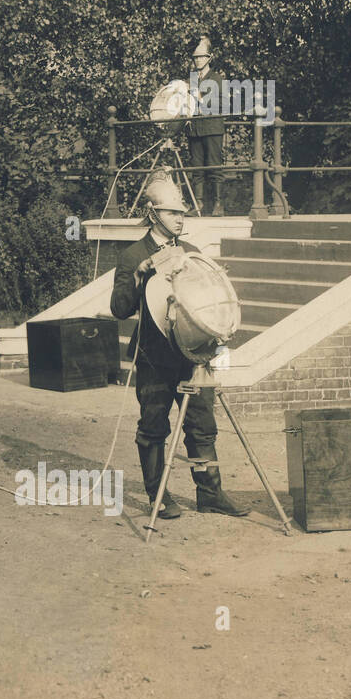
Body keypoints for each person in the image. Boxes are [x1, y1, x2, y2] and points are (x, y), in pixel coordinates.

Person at [109, 175, 247, 518]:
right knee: (154, 426)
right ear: (153, 213)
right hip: (154, 358)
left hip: (193, 356)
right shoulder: (133, 255)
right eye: (172, 213)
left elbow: (207, 303)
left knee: (202, 426)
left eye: (182, 213)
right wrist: (140, 275)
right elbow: (119, 309)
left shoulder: (192, 254)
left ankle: (209, 493)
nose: (180, 219)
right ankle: (159, 496)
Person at [183, 34, 227, 216]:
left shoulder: (216, 78)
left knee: (214, 166)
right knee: (197, 167)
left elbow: (220, 104)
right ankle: (198, 205)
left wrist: (197, 97)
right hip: (195, 130)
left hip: (212, 128)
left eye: (202, 56)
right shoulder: (192, 79)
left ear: (209, 58)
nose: (198, 60)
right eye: (195, 57)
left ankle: (218, 205)